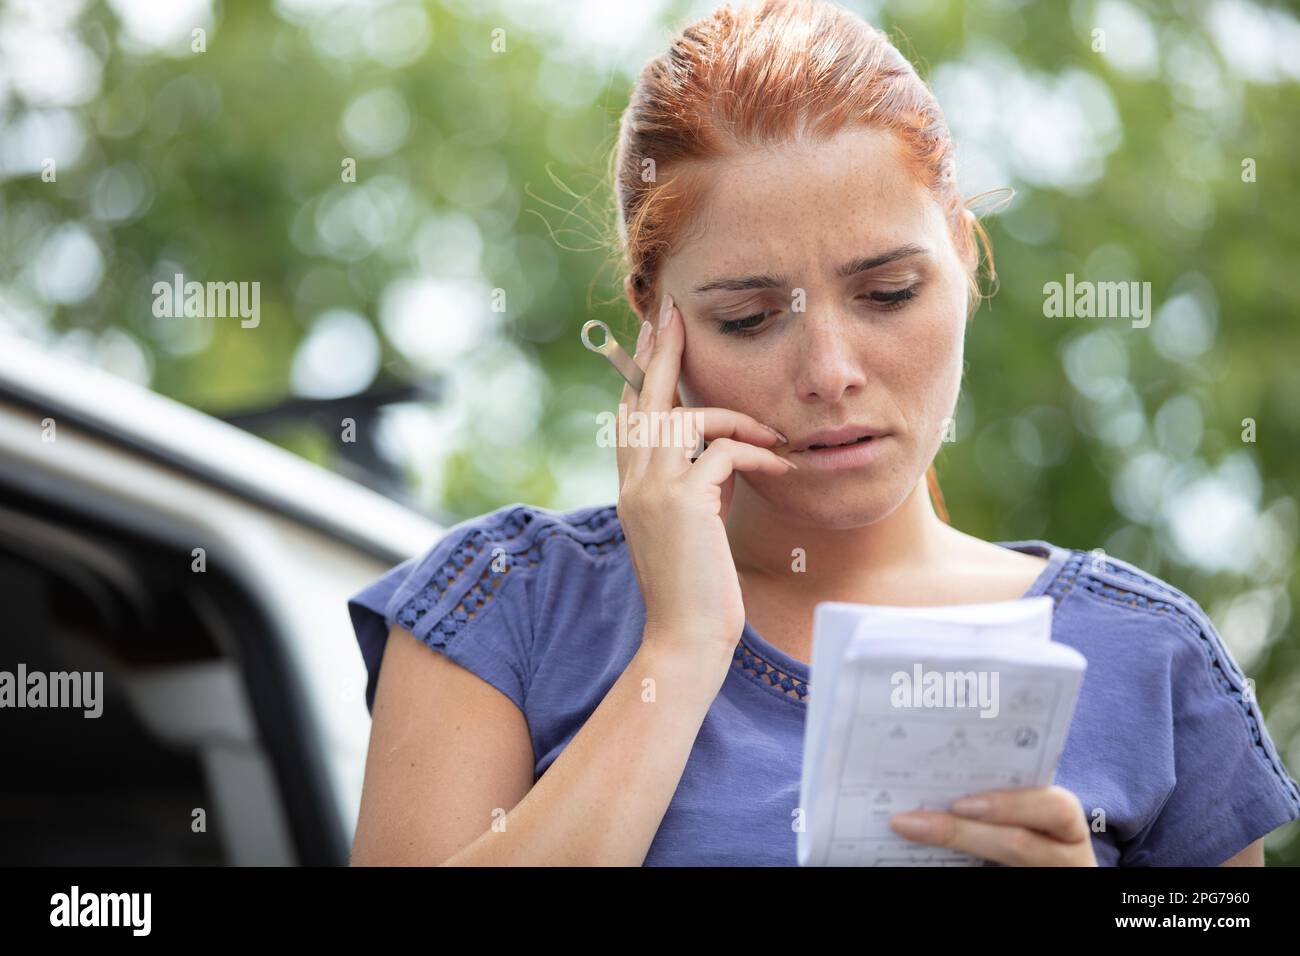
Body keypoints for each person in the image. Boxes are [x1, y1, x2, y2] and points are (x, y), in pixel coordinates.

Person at [346, 0, 1300, 866]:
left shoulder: (1149, 655)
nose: (830, 372)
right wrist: (678, 650)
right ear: (654, 322)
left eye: (888, 293)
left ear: (963, 256)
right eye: (750, 319)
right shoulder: (505, 606)